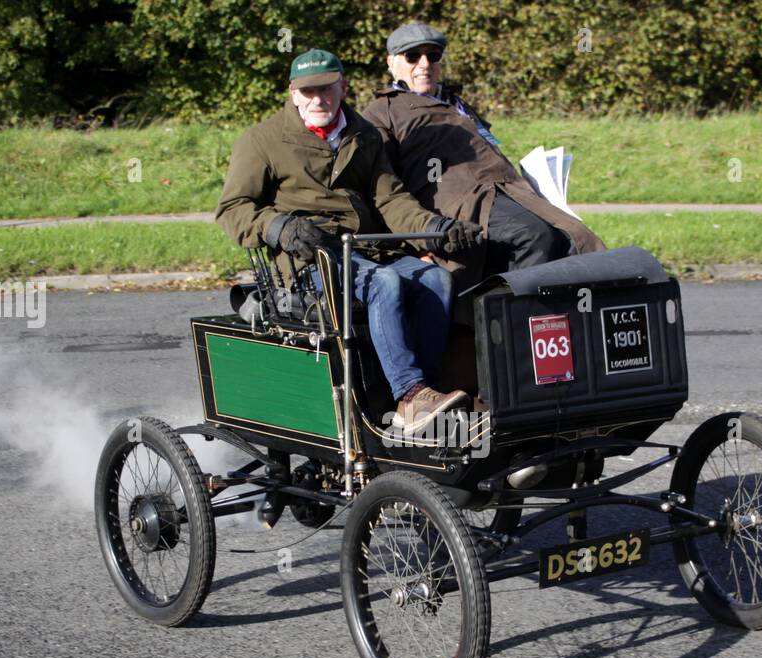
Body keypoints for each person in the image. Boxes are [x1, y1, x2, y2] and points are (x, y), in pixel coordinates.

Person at [216, 49, 485, 432]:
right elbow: (232, 209)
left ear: (342, 88)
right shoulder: (262, 141)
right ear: (293, 94)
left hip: (366, 250)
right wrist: (280, 228)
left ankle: (428, 391)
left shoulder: (363, 134)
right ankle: (409, 396)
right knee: (384, 283)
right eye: (307, 92)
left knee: (435, 279)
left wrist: (436, 229)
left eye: (326, 89)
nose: (317, 99)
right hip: (308, 263)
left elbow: (390, 200)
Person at [362, 22, 605, 291]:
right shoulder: (382, 111)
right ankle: (521, 324)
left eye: (433, 56)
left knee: (575, 237)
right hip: (457, 202)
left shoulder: (456, 103)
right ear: (390, 63)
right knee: (533, 235)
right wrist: (411, 244)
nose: (424, 64)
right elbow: (382, 186)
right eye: (412, 56)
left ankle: (571, 324)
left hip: (508, 190)